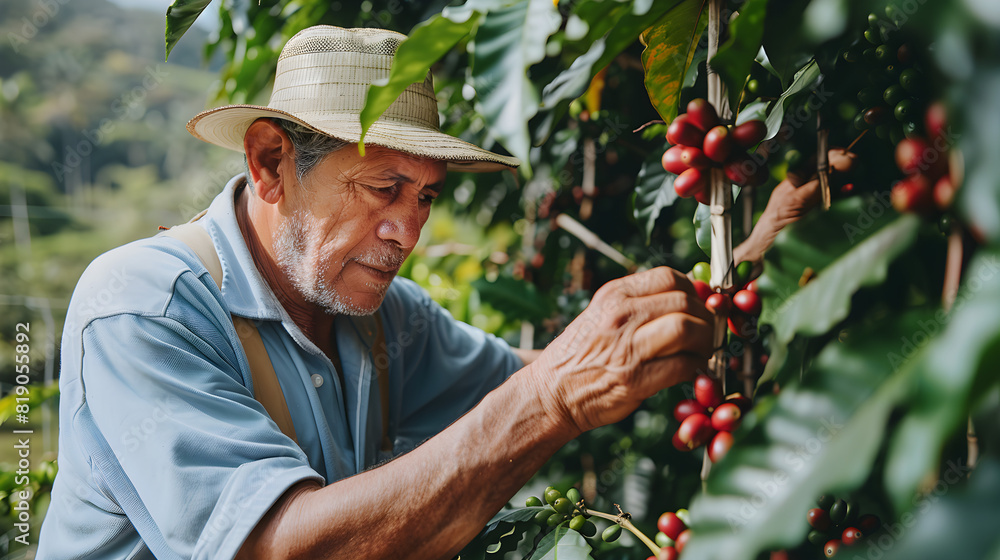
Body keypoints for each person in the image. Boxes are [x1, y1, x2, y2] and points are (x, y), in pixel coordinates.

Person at [37, 24, 824, 560]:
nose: (407, 233)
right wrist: (551, 402)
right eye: (382, 188)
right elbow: (281, 548)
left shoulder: (378, 321)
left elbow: (545, 373)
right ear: (271, 162)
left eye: (425, 197)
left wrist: (750, 264)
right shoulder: (143, 307)